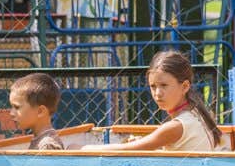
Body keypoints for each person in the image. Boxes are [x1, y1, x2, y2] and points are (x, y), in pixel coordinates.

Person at [84, 50, 223, 153]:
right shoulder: (198, 113)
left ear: (185, 86)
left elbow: (126, 150)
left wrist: (86, 149)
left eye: (164, 86)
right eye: (153, 86)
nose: (157, 94)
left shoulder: (176, 126)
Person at [9, 72, 65, 151]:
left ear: (40, 111)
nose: (11, 113)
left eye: (17, 107)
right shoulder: (40, 139)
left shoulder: (47, 145)